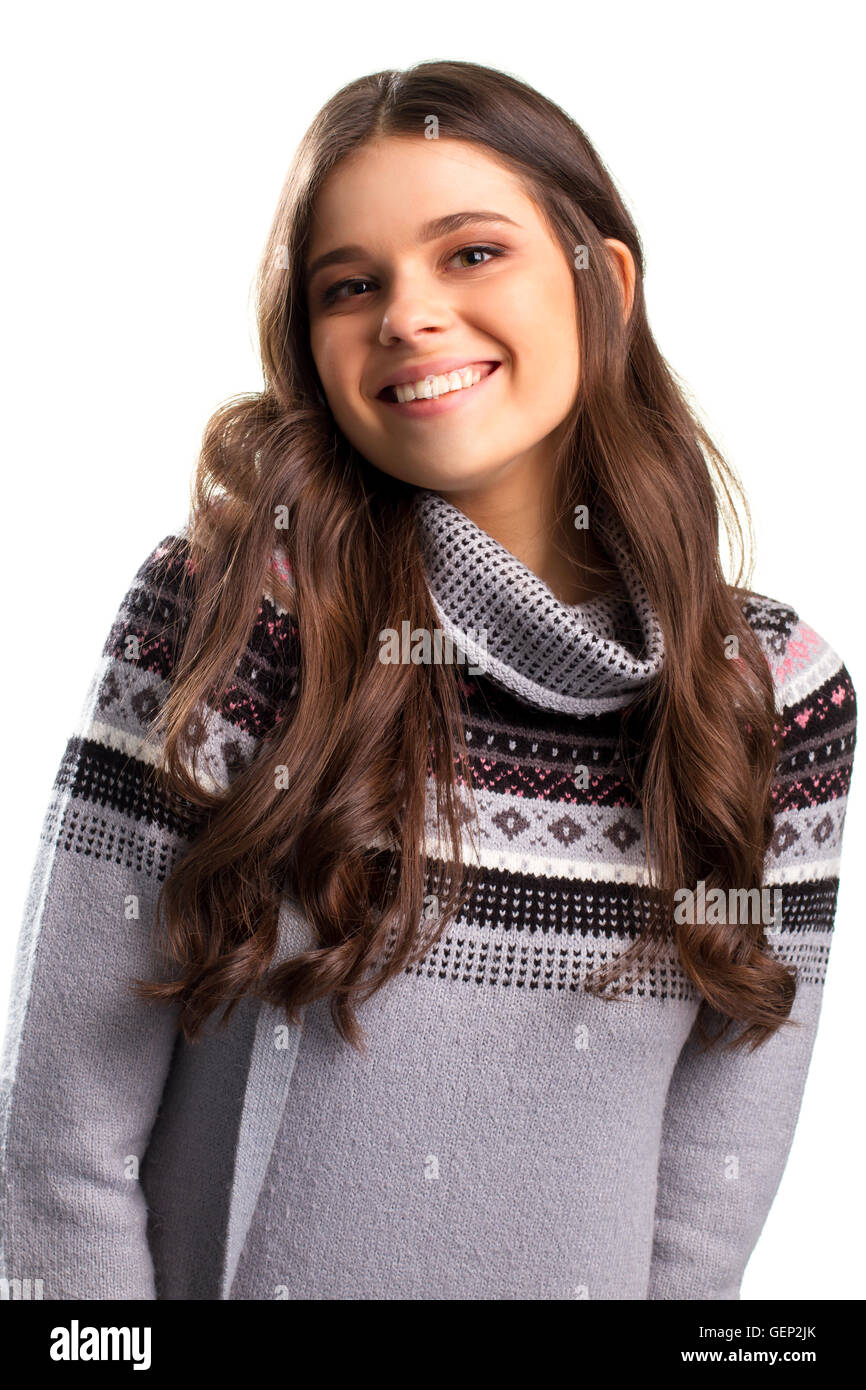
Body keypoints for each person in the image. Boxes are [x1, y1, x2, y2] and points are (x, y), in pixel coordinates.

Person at [0, 59, 856, 1301]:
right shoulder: (235, 610)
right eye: (352, 285)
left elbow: (707, 1195)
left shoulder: (774, 693)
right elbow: (61, 1147)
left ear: (600, 282)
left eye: (468, 254)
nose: (407, 313)